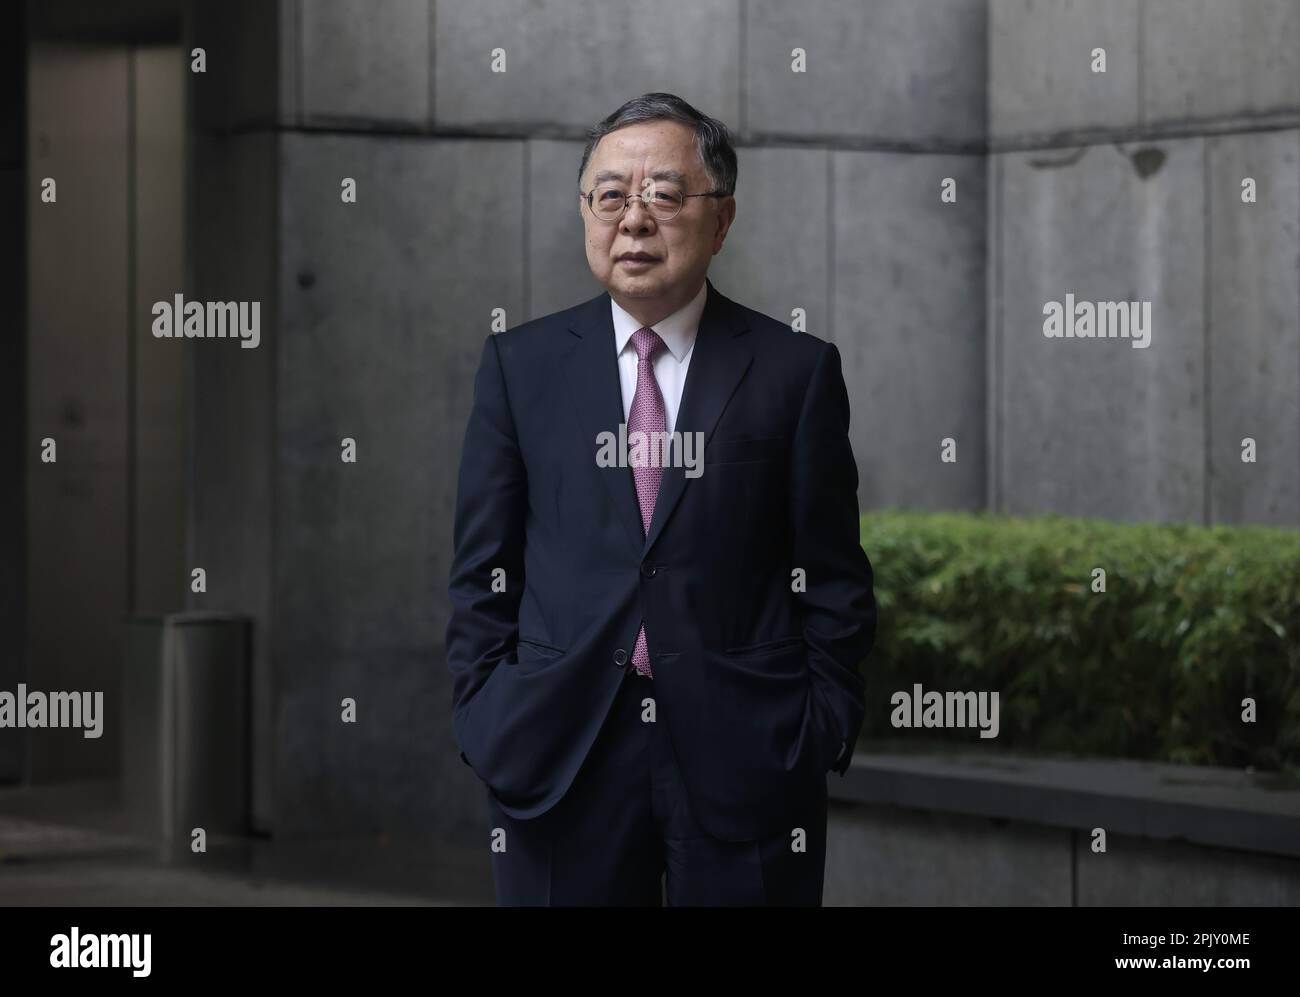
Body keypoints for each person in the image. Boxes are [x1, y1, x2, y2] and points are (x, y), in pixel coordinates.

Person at [446, 92, 876, 905]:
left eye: (663, 195)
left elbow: (833, 576)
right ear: (586, 213)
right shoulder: (520, 367)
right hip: (558, 747)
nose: (633, 220)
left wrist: (820, 726)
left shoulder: (794, 371)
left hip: (749, 751)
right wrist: (485, 714)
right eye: (610, 196)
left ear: (722, 219)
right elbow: (482, 568)